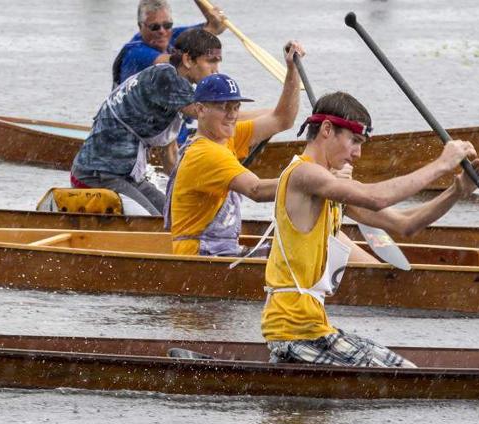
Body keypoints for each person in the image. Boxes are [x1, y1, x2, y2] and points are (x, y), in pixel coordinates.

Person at [261, 91, 479, 368]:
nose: (357, 154)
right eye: (354, 141)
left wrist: (456, 191)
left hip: (316, 330)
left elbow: (406, 224)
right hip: (292, 336)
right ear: (326, 129)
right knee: (403, 381)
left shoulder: (333, 188)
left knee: (408, 371)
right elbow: (377, 197)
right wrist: (442, 164)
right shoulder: (304, 174)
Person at [163, 41, 305, 257]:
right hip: (200, 254)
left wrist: (292, 70)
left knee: (299, 248)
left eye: (235, 107)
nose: (231, 114)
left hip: (222, 249)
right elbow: (256, 190)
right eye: (223, 107)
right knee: (298, 253)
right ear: (200, 109)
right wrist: (310, 183)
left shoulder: (225, 137)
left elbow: (282, 119)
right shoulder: (207, 153)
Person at [71, 29, 222, 215]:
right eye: (211, 61)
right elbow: (212, 116)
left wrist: (190, 191)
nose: (217, 70)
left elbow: (170, 152)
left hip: (128, 176)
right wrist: (267, 119)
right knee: (158, 226)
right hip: (97, 175)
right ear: (188, 60)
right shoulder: (167, 76)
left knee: (176, 216)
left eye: (218, 62)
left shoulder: (172, 93)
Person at [113, 0, 227, 87]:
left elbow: (216, 27)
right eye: (154, 27)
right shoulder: (135, 52)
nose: (162, 31)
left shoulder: (173, 35)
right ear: (140, 26)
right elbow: (178, 62)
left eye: (167, 25)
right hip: (136, 115)